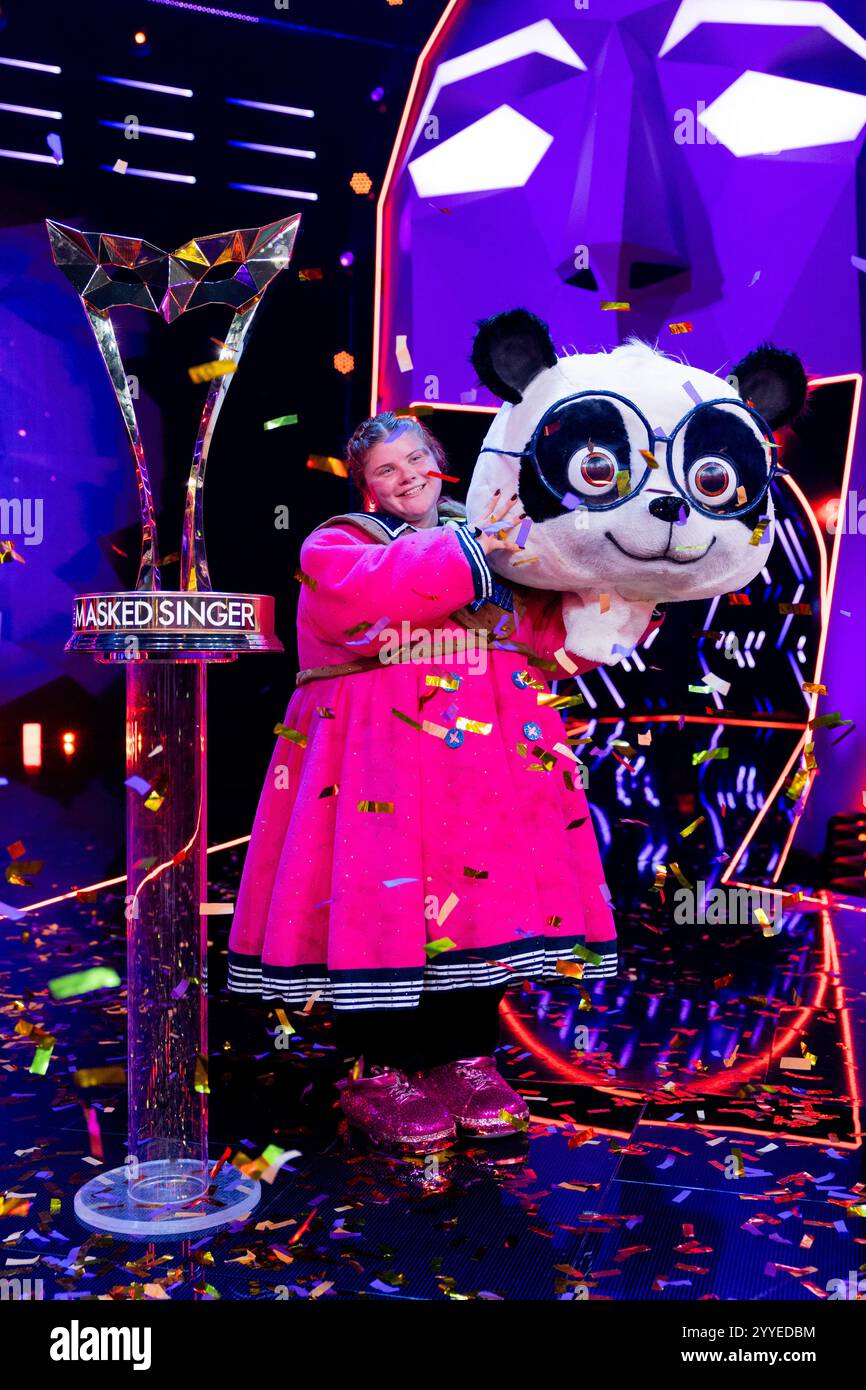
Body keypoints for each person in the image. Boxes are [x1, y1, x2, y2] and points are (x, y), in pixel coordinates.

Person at [228, 411, 619, 1152]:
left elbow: (543, 642)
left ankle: (464, 1058)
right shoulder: (340, 545)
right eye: (386, 468)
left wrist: (616, 602)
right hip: (377, 772)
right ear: (366, 487)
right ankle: (380, 1070)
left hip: (487, 769)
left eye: (417, 459)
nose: (405, 475)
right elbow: (376, 595)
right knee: (380, 905)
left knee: (483, 908)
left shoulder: (497, 547)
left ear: (441, 464)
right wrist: (488, 544)